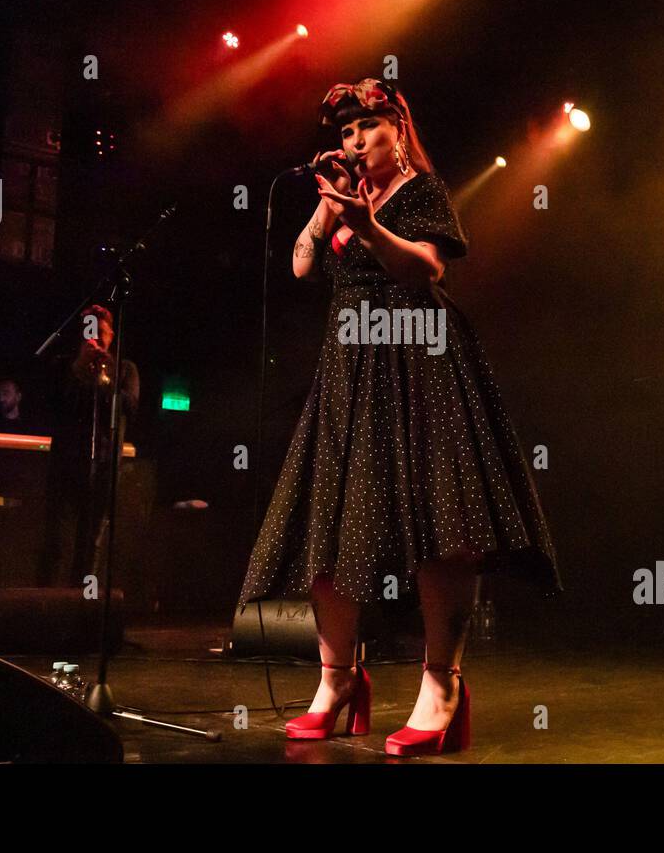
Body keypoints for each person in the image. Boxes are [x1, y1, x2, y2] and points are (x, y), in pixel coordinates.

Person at [238, 78, 560, 756]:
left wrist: (366, 225)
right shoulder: (346, 195)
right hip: (351, 367)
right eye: (346, 133)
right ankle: (337, 682)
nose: (355, 142)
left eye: (368, 129)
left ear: (399, 132)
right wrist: (328, 213)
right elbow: (300, 267)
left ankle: (442, 685)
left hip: (419, 357)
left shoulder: (423, 192)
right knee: (326, 523)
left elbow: (426, 271)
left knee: (441, 523)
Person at [39, 304, 139, 587]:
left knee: (92, 541)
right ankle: (45, 605)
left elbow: (129, 408)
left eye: (101, 331)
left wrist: (103, 379)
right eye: (89, 331)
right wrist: (77, 369)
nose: (95, 337)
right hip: (65, 464)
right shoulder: (63, 366)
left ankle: (83, 606)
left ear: (111, 335)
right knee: (55, 539)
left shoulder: (125, 369)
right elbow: (53, 405)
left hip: (104, 466)